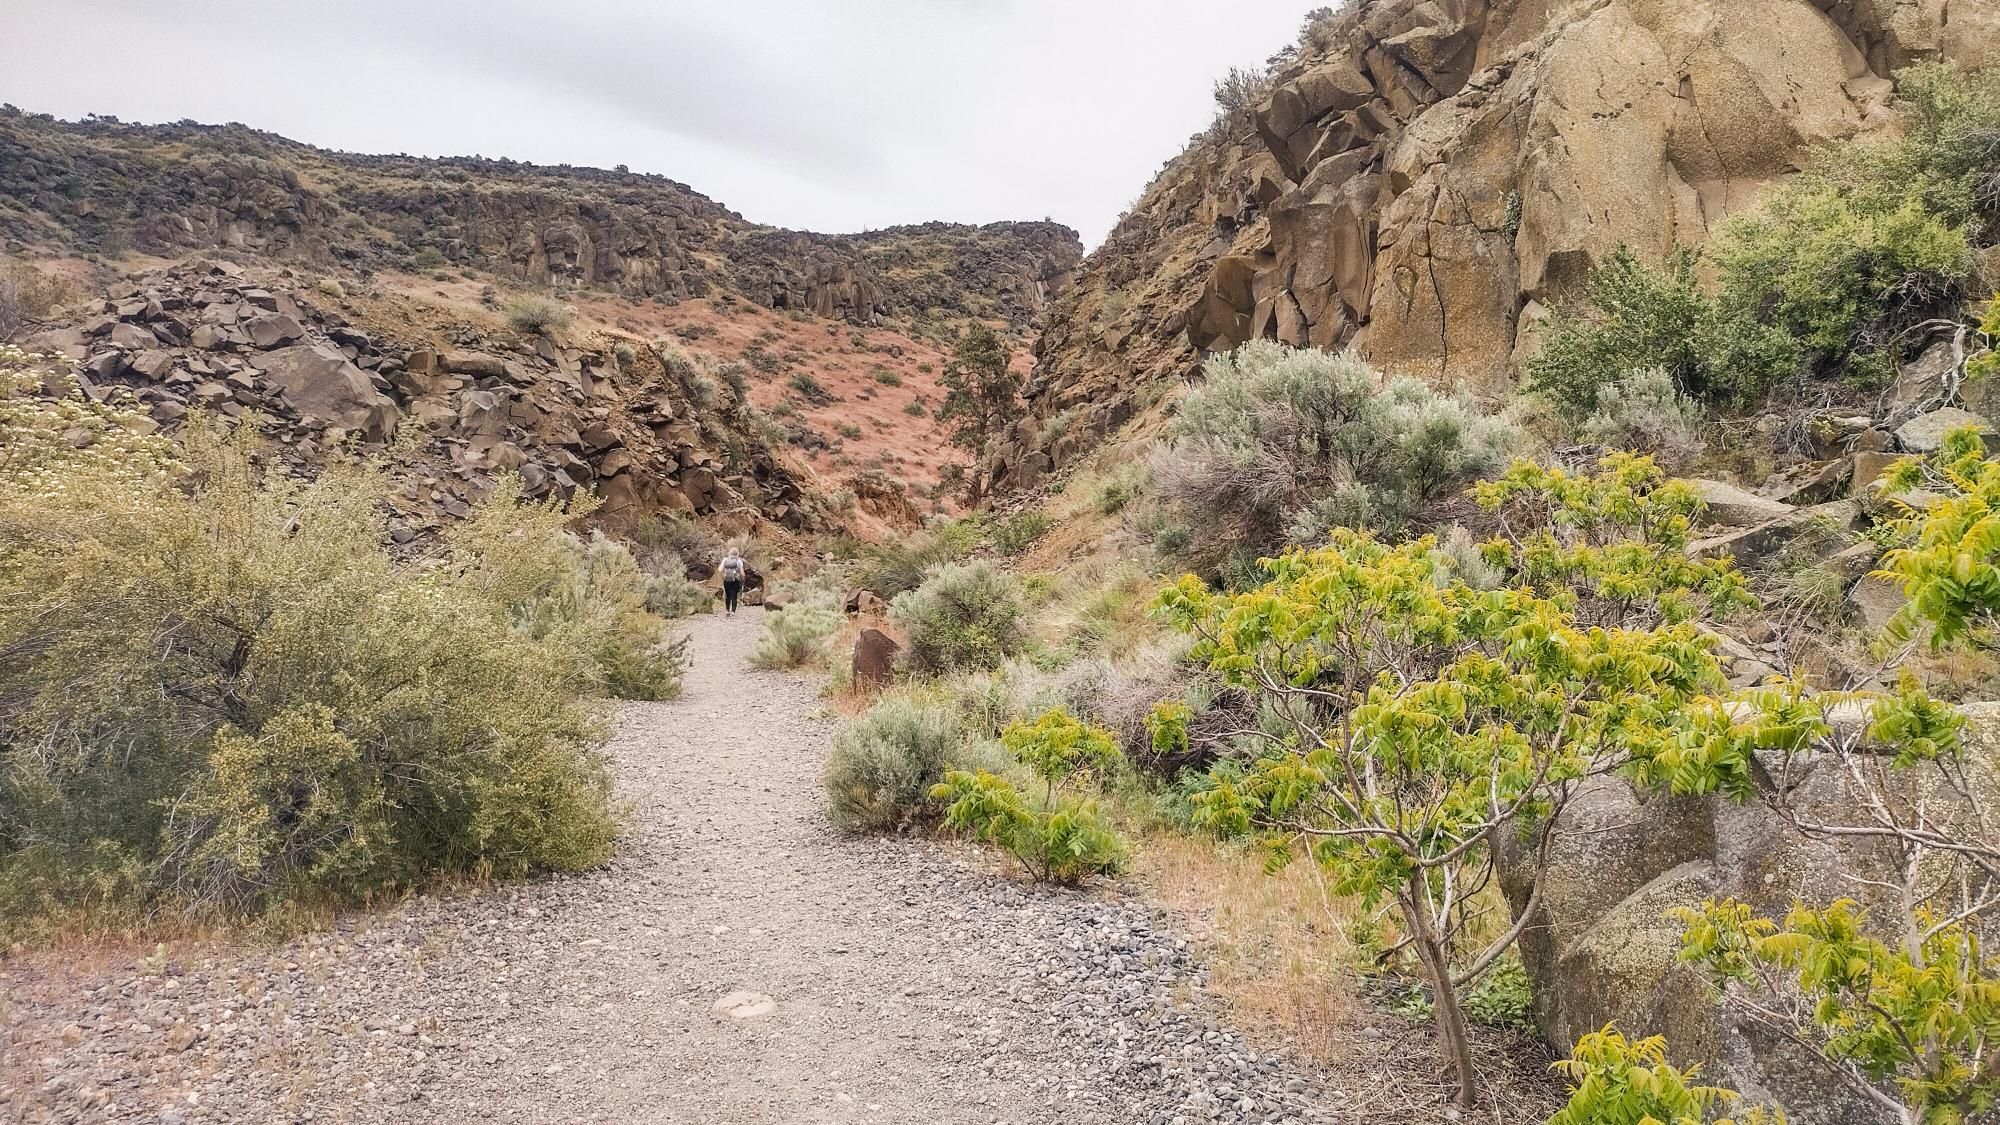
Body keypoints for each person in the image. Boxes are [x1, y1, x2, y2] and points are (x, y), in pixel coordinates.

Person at [719, 548, 747, 616]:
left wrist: (724, 574)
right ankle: (733, 611)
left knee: (727, 595)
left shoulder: (725, 560)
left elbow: (720, 569)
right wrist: (743, 578)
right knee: (734, 596)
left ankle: (727, 610)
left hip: (727, 580)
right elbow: (742, 572)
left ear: (729, 553)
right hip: (735, 580)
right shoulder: (739, 561)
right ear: (737, 554)